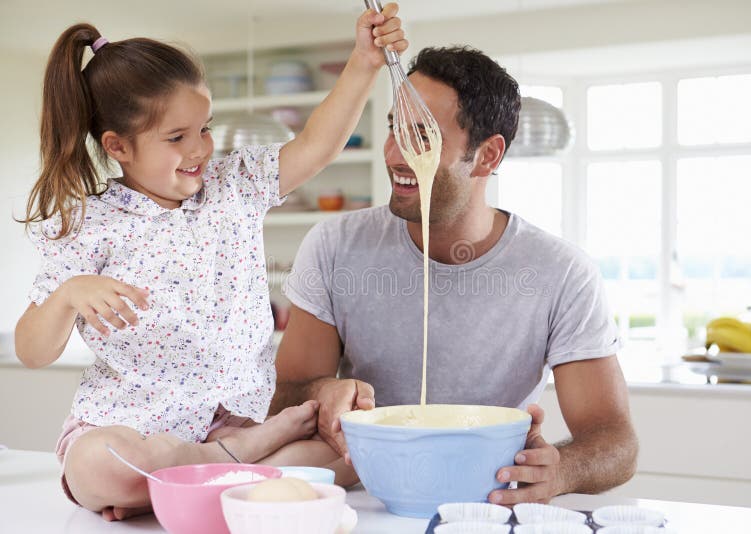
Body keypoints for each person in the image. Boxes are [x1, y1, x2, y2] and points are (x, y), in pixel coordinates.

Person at [14, 5, 406, 521]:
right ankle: (228, 470)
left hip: (232, 421)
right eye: (177, 137)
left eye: (205, 127)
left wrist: (363, 63)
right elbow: (32, 350)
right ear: (118, 147)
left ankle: (188, 477)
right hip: (135, 427)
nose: (200, 147)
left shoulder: (232, 186)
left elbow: (315, 146)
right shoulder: (89, 224)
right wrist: (67, 296)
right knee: (95, 466)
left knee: (353, 452)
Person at [270, 46, 638, 505]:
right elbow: (283, 395)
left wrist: (563, 469)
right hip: (364, 504)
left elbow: (615, 441)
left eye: (421, 136)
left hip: (487, 505)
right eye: (394, 129)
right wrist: (323, 392)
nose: (395, 154)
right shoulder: (335, 247)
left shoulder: (560, 273)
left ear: (487, 156)